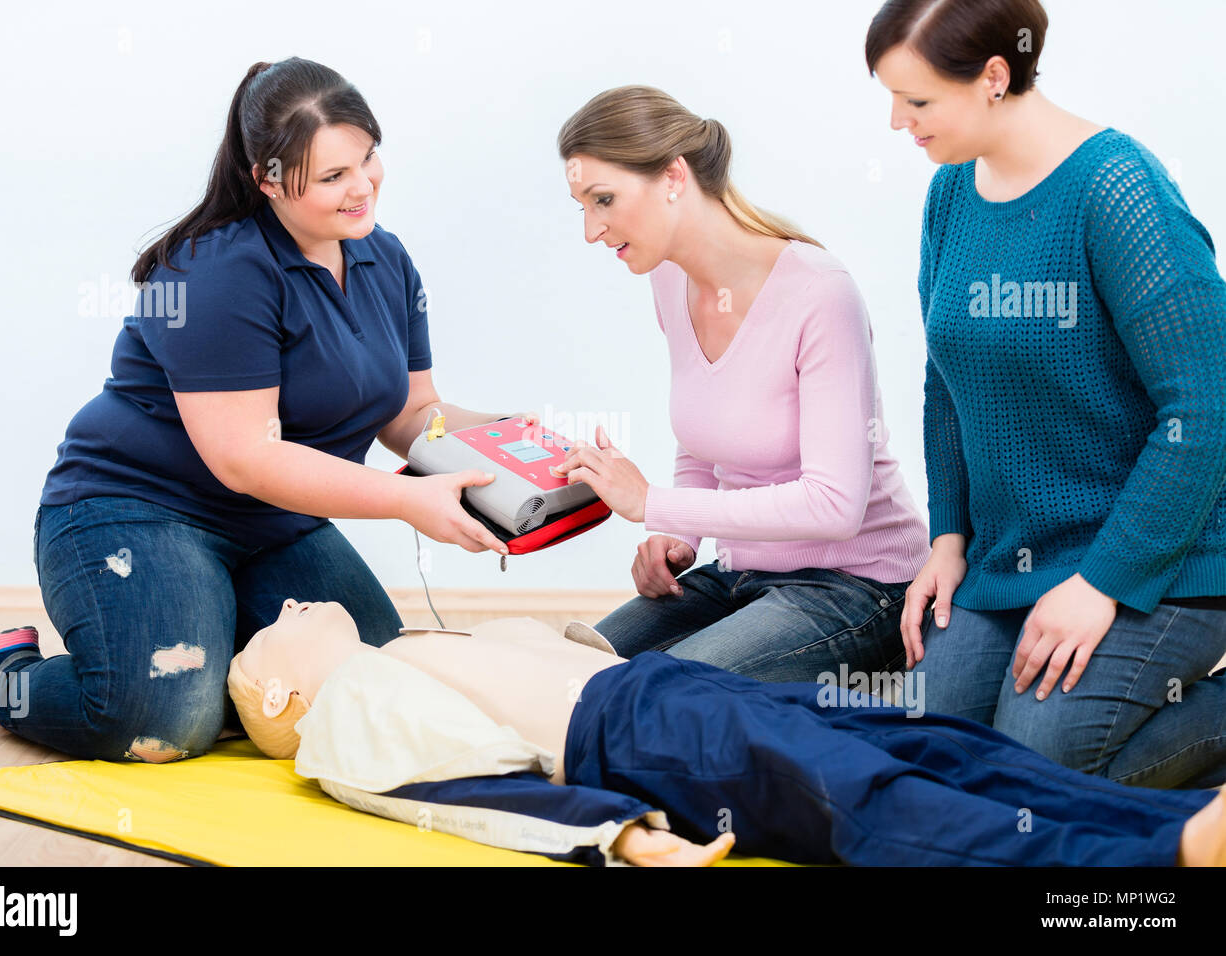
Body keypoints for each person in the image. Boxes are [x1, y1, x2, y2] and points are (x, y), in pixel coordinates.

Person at [0, 57, 532, 763]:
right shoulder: (213, 271)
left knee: (378, 685)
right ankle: (13, 674)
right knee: (162, 723)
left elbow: (411, 412)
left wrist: (517, 445)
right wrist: (407, 500)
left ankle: (215, 656)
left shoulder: (384, 259)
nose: (363, 187)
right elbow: (246, 458)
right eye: (333, 177)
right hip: (138, 510)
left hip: (278, 526)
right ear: (267, 179)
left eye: (368, 159)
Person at [866, 0, 1226, 788]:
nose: (898, 121)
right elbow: (947, 384)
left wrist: (1102, 583)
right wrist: (948, 538)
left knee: (1033, 768)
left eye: (917, 101)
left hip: (1161, 558)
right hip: (1012, 556)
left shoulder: (1119, 192)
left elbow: (1204, 410)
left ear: (994, 76)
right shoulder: (951, 194)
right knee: (922, 752)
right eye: (892, 98)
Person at [222, 599, 1226, 867]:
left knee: (937, 742)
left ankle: (1176, 814)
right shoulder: (348, 713)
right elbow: (463, 796)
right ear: (277, 697)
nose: (303, 597)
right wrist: (609, 830)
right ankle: (1162, 849)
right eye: (282, 622)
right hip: (651, 743)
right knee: (874, 804)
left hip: (670, 694)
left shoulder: (380, 656)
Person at [551, 86, 931, 683]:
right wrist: (676, 535)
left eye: (604, 200)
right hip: (742, 575)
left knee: (649, 698)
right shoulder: (670, 280)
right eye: (582, 206)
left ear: (674, 176)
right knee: (568, 674)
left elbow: (834, 506)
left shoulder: (818, 292)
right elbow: (707, 438)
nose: (591, 231)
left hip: (858, 586)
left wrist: (652, 503)